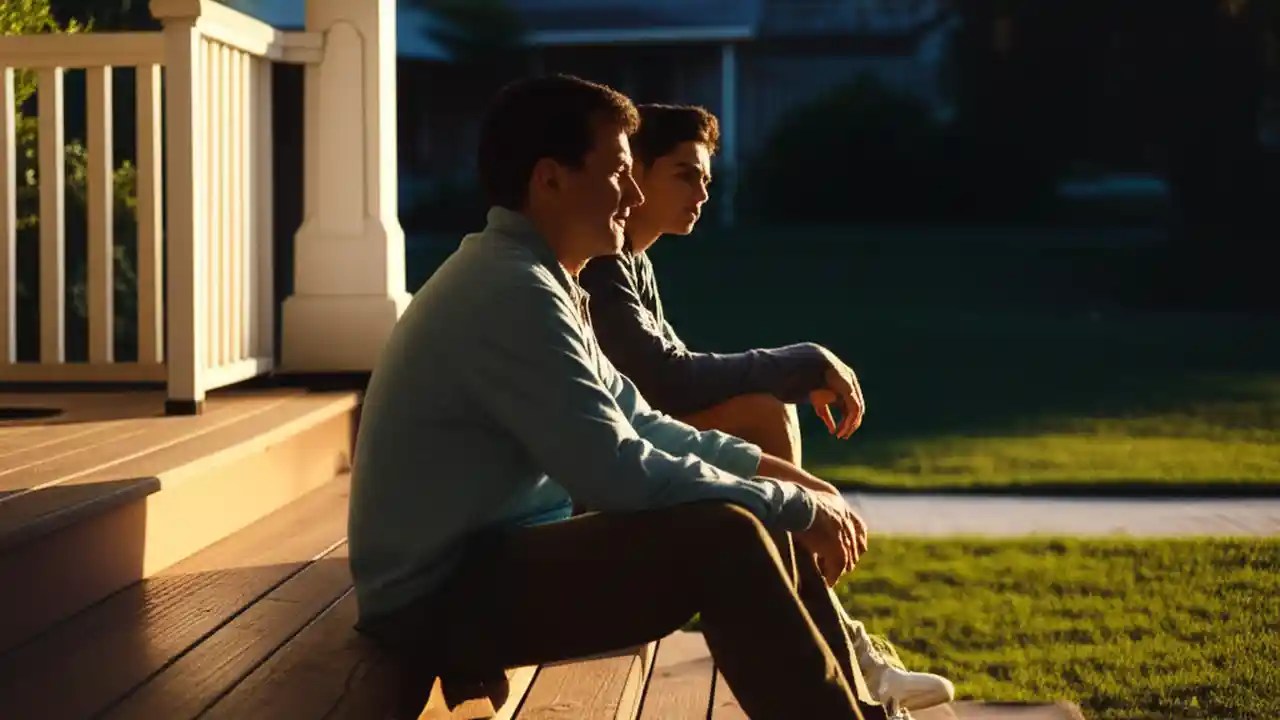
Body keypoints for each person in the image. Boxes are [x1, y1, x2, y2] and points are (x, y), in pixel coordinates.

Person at [350, 74, 891, 720]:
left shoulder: (538, 278)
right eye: (618, 174)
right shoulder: (511, 291)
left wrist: (786, 483)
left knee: (747, 521)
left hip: (483, 565)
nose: (633, 195)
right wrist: (791, 505)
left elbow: (643, 423)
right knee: (726, 536)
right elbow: (617, 472)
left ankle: (858, 711)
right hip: (433, 599)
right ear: (549, 179)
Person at [579, 103, 955, 713]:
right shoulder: (599, 260)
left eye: (706, 177)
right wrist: (801, 362)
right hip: (596, 479)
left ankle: (835, 637)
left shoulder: (632, 261)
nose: (702, 191)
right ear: (635, 172)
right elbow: (666, 382)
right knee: (763, 414)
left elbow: (666, 377)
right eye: (683, 174)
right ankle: (835, 643)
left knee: (763, 412)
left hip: (627, 451)